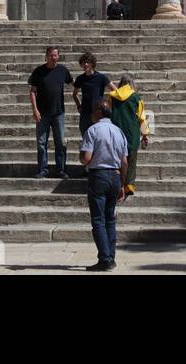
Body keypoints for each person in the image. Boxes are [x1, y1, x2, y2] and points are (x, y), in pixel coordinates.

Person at [79, 99, 128, 272]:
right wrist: (122, 184)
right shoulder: (119, 131)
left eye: (93, 110)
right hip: (115, 176)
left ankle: (105, 259)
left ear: (100, 111)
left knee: (98, 220)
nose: (91, 113)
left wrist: (81, 157)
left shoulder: (92, 130)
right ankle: (111, 257)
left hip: (98, 176)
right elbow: (124, 161)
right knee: (110, 219)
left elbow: (87, 158)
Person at [28, 46, 72, 178]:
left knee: (60, 143)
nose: (53, 58)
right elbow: (32, 91)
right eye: (51, 55)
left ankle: (61, 170)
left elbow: (74, 84)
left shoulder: (62, 70)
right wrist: (35, 110)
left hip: (58, 113)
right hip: (42, 114)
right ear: (46, 56)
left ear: (58, 56)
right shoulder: (39, 71)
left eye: (55, 55)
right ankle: (43, 169)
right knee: (41, 143)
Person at [108, 74, 150, 196]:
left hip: (115, 132)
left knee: (116, 159)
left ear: (120, 84)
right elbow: (141, 118)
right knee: (131, 160)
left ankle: (116, 183)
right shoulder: (136, 97)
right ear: (132, 84)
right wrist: (145, 134)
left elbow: (107, 112)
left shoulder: (112, 97)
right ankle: (129, 185)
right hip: (132, 133)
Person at [73, 52, 111, 138]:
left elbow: (114, 90)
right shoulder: (80, 78)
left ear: (92, 64)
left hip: (98, 113)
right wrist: (79, 106)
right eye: (83, 63)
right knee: (86, 137)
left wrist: (107, 104)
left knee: (99, 138)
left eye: (88, 62)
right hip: (85, 114)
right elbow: (75, 94)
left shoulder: (101, 77)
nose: (85, 64)